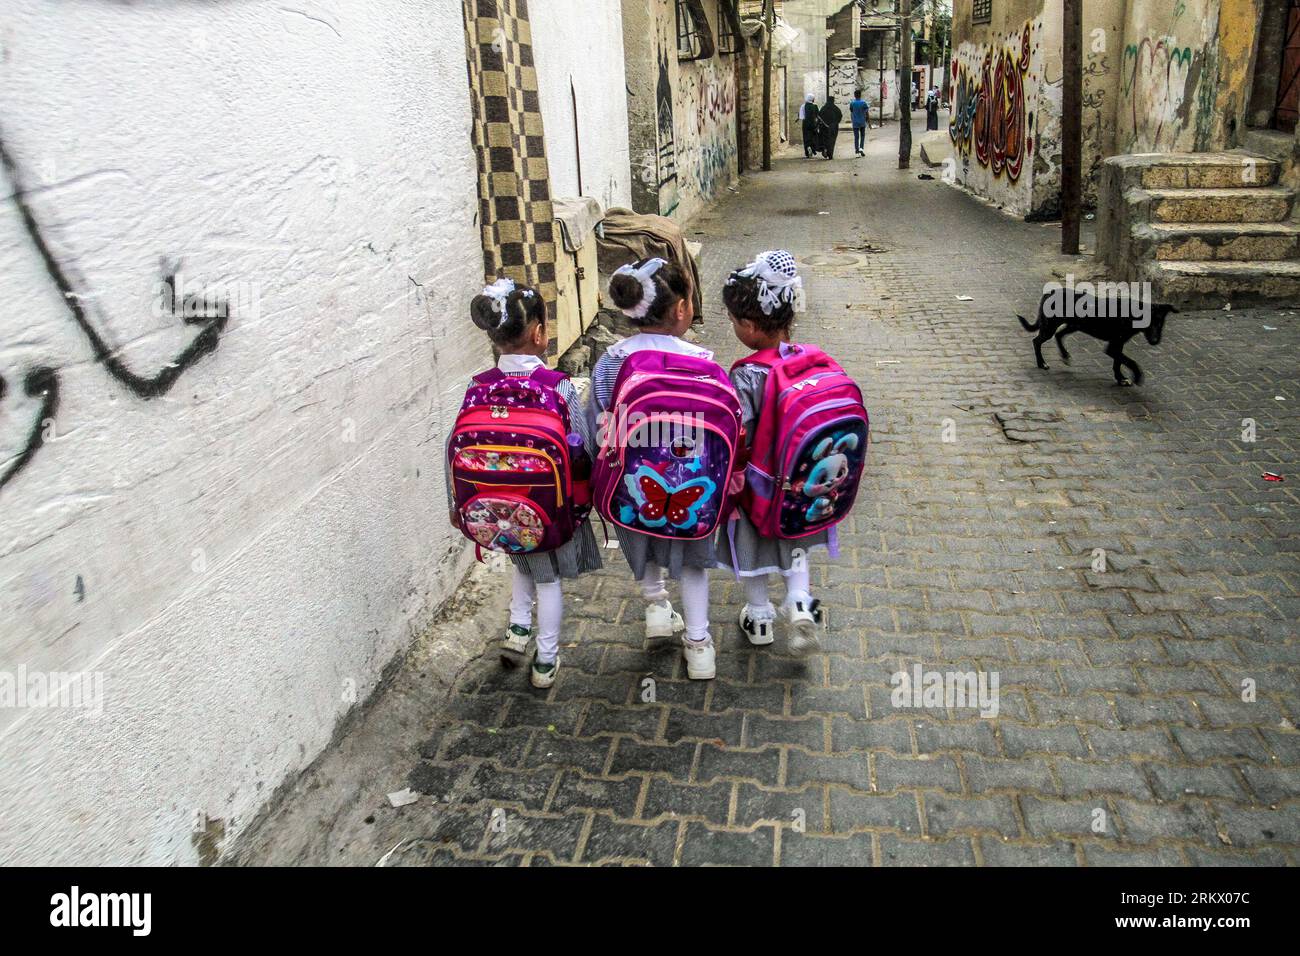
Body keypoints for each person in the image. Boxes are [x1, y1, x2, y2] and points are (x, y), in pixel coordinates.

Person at [451, 280, 602, 688]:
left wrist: (455, 504)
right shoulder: (557, 387)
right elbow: (583, 446)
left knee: (522, 558)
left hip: (494, 511)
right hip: (548, 510)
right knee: (548, 578)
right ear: (539, 334)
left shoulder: (478, 386)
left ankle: (517, 632)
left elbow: (454, 446)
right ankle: (546, 659)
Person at [589, 259, 723, 679]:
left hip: (632, 487)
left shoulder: (611, 361)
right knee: (694, 563)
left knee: (644, 540)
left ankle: (656, 609)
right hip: (694, 488)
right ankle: (699, 646)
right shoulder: (704, 360)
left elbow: (597, 424)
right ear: (681, 308)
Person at [716, 252, 826, 657]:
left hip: (758, 489)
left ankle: (759, 618)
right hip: (802, 485)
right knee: (794, 548)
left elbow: (737, 433)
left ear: (749, 326)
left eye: (733, 322)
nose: (733, 328)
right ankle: (801, 606)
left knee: (754, 550)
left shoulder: (745, 374)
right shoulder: (807, 362)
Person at [849, 88, 870, 157]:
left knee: (856, 137)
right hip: (862, 122)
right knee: (862, 136)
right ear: (860, 95)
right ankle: (861, 148)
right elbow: (867, 113)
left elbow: (851, 111)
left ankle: (857, 150)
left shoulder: (852, 103)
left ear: (854, 95)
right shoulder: (863, 103)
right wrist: (869, 122)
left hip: (855, 122)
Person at [800, 94, 820, 158]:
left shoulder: (803, 106)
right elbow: (818, 115)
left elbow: (801, 117)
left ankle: (808, 149)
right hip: (813, 124)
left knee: (806, 137)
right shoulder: (815, 106)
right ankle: (812, 149)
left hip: (806, 124)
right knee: (813, 137)